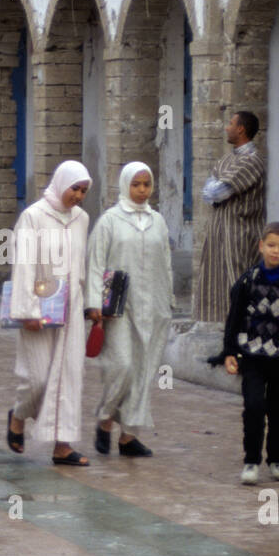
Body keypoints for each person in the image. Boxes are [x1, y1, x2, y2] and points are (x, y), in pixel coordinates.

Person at [6, 160, 92, 466]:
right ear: (60, 184)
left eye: (83, 190)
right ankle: (18, 416)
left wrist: (89, 303)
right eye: (75, 189)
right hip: (39, 310)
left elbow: (83, 265)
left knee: (69, 376)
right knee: (38, 377)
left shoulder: (81, 218)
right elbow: (24, 264)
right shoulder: (33, 217)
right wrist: (26, 310)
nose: (79, 196)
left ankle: (63, 446)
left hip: (71, 312)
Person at [85, 161, 173, 458]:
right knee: (122, 366)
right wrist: (94, 303)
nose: (142, 190)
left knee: (144, 370)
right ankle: (105, 417)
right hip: (118, 307)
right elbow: (96, 262)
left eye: (147, 184)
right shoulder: (109, 221)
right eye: (136, 184)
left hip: (155, 306)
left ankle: (129, 436)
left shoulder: (157, 221)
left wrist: (168, 301)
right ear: (125, 185)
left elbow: (167, 262)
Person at [218, 221, 279, 484]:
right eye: (271, 245)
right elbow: (233, 319)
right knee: (254, 406)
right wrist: (229, 353)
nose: (275, 251)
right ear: (261, 246)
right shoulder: (247, 281)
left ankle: (277, 459)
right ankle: (251, 461)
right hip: (252, 358)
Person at [193, 111, 266, 323]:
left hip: (240, 233)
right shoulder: (227, 159)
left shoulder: (252, 161)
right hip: (219, 231)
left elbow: (217, 192)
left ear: (241, 129)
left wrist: (216, 188)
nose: (227, 127)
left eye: (231, 123)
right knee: (217, 284)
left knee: (239, 282)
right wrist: (215, 188)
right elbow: (206, 192)